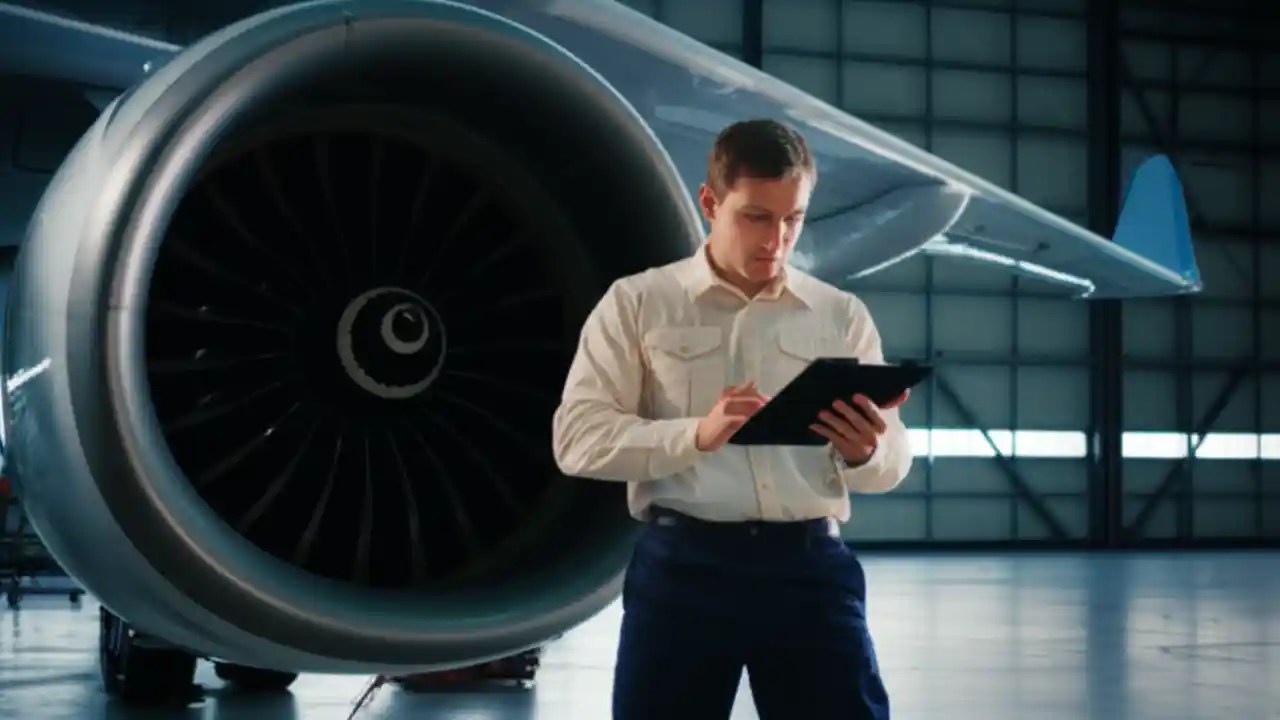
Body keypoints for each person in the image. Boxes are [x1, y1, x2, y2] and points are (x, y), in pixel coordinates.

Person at [550, 118, 912, 720]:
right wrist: (696, 434)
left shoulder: (840, 315)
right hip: (682, 573)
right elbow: (577, 440)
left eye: (793, 219)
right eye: (756, 217)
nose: (777, 240)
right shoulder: (637, 303)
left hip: (811, 572)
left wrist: (866, 453)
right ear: (710, 202)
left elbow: (893, 462)